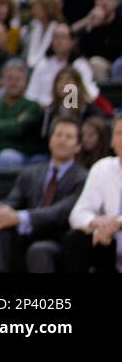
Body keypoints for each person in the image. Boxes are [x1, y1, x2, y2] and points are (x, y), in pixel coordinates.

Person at [0, 116, 87, 272]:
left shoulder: (83, 177)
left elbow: (60, 212)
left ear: (78, 146)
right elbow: (14, 200)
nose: (62, 140)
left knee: (38, 250)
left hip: (59, 237)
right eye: (58, 135)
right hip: (26, 234)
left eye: (69, 137)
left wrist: (19, 217)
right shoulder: (31, 172)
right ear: (50, 140)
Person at [63, 115, 122, 272]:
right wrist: (96, 223)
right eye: (119, 133)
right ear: (112, 141)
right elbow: (77, 214)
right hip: (109, 249)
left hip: (113, 232)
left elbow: (115, 224)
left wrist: (117, 223)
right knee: (76, 238)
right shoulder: (103, 168)